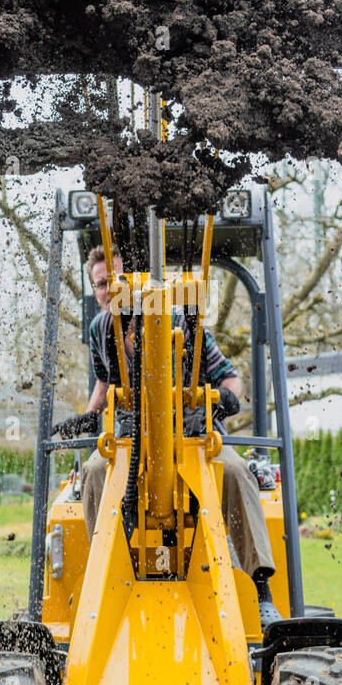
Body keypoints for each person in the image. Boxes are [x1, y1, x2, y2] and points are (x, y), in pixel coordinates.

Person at [75, 244, 281, 626]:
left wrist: (229, 398)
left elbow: (228, 375)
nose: (108, 290)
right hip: (128, 439)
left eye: (116, 280)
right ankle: (104, 577)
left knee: (236, 472)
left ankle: (261, 587)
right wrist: (85, 419)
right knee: (92, 472)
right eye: (100, 284)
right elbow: (104, 385)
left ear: (134, 281)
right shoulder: (100, 329)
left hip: (194, 436)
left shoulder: (181, 320)